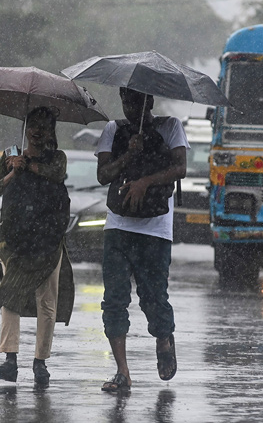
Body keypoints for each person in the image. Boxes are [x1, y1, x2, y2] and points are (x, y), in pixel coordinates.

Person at [95, 87, 188, 394]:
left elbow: (181, 168)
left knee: (153, 296)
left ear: (150, 101)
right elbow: (103, 174)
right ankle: (123, 371)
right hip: (118, 227)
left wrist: (145, 181)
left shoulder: (170, 126)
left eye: (136, 101)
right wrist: (129, 155)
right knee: (115, 299)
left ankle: (164, 338)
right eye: (125, 101)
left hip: (155, 230)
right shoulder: (114, 130)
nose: (130, 107)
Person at [0, 106, 74, 387]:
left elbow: (56, 174)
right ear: (25, 127)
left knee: (46, 302)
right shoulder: (9, 155)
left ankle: (40, 362)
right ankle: (10, 360)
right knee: (9, 296)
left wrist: (30, 165)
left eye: (43, 126)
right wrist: (12, 171)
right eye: (32, 124)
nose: (37, 130)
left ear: (51, 131)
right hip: (14, 241)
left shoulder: (57, 158)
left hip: (48, 242)